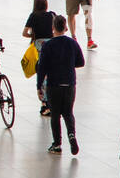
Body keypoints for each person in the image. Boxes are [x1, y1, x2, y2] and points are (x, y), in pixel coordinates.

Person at [36, 15, 84, 155]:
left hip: (53, 84)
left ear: (53, 28)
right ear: (66, 28)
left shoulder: (48, 45)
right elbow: (81, 62)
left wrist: (39, 87)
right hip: (69, 83)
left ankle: (57, 144)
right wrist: (69, 64)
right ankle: (72, 136)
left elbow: (42, 68)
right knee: (68, 113)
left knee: (55, 114)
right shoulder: (73, 43)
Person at [22, 0, 54, 116]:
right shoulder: (51, 15)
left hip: (39, 47)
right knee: (51, 72)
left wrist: (34, 36)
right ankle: (51, 101)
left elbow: (24, 33)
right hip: (51, 46)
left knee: (42, 73)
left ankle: (44, 102)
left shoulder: (33, 16)